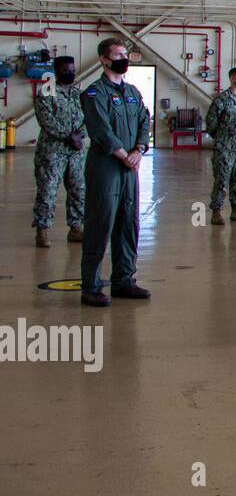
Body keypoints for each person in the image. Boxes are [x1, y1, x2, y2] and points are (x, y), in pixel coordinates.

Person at [79, 37, 152, 307]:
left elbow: (145, 121)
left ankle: (124, 280)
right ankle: (91, 286)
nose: (124, 58)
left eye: (125, 53)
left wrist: (139, 150)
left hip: (129, 168)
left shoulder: (133, 92)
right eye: (118, 54)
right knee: (101, 224)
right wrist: (124, 155)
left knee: (128, 224)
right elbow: (100, 130)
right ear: (104, 59)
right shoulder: (93, 93)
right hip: (106, 166)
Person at [33, 55, 85, 248]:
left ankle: (76, 228)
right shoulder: (47, 92)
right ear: (56, 71)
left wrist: (80, 137)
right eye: (65, 71)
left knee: (78, 189)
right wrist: (67, 136)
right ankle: (43, 230)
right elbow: (46, 120)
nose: (70, 73)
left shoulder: (79, 94)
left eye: (72, 70)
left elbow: (87, 118)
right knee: (48, 191)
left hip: (76, 152)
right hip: (52, 151)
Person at [205, 66, 236, 225]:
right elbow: (211, 123)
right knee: (222, 179)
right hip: (224, 148)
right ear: (232, 78)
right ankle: (216, 211)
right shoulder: (221, 99)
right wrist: (222, 139)